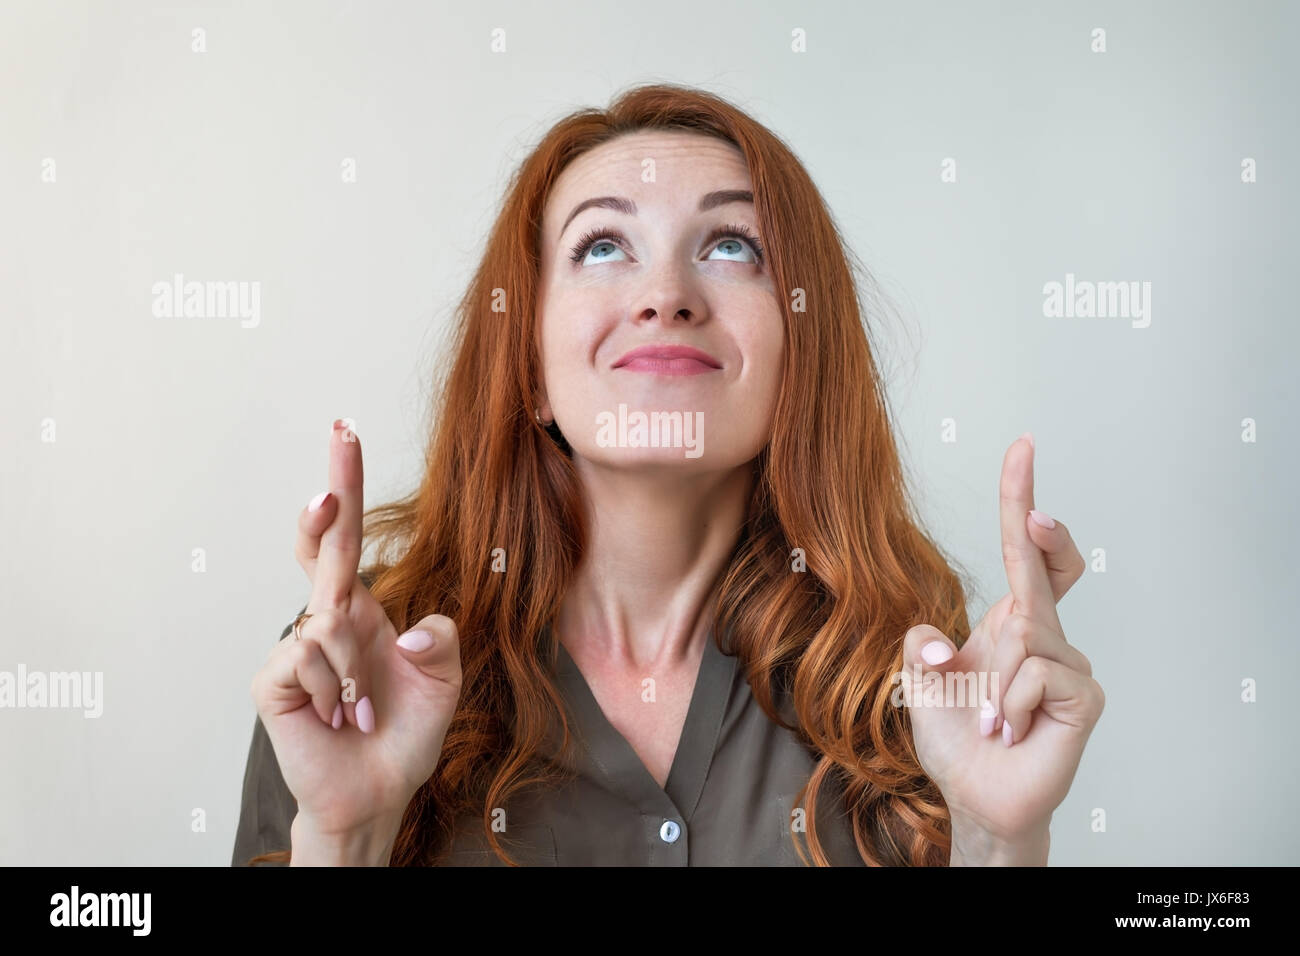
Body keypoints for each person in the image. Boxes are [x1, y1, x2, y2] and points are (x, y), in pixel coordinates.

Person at [233, 83, 1103, 867]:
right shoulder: (355, 669)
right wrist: (346, 840)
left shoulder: (911, 677)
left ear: (801, 351)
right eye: (603, 246)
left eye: (730, 246)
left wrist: (998, 842)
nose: (666, 294)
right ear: (529, 367)